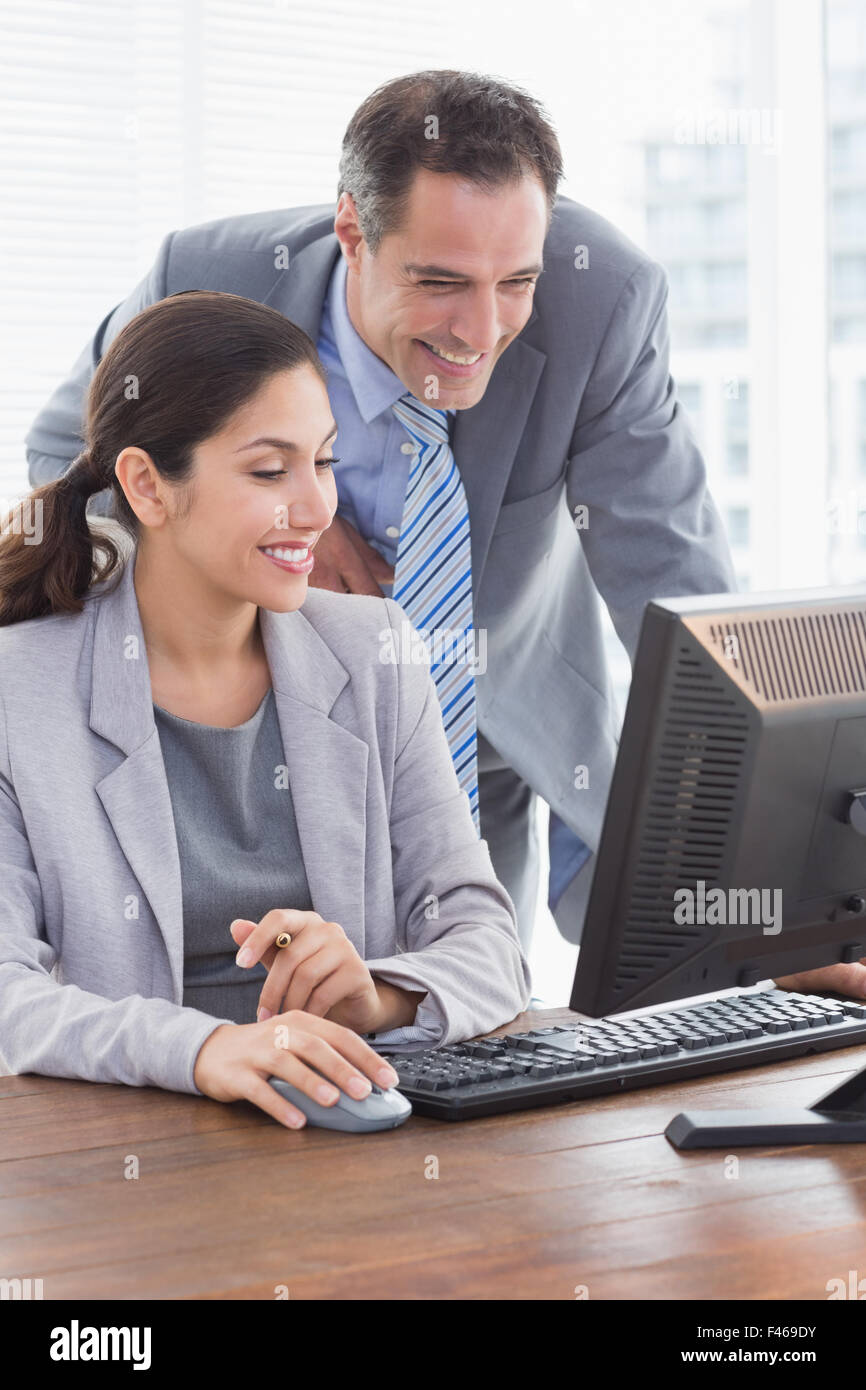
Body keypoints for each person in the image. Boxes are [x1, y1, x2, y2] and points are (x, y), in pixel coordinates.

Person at [24, 68, 740, 957]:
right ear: (353, 232)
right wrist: (281, 519)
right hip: (262, 742)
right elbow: (69, 456)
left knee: (465, 1004)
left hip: (484, 734)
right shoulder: (206, 280)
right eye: (439, 281)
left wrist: (760, 864)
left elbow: (672, 572)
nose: (480, 331)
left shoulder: (606, 297)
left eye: (516, 280)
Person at [0, 290, 532, 1130]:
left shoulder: (372, 651)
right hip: (126, 1157)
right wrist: (204, 1050)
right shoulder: (18, 690)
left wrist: (381, 994)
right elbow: (8, 998)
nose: (318, 508)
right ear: (147, 485)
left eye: (322, 461)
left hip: (352, 1136)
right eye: (268, 470)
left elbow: (486, 937)